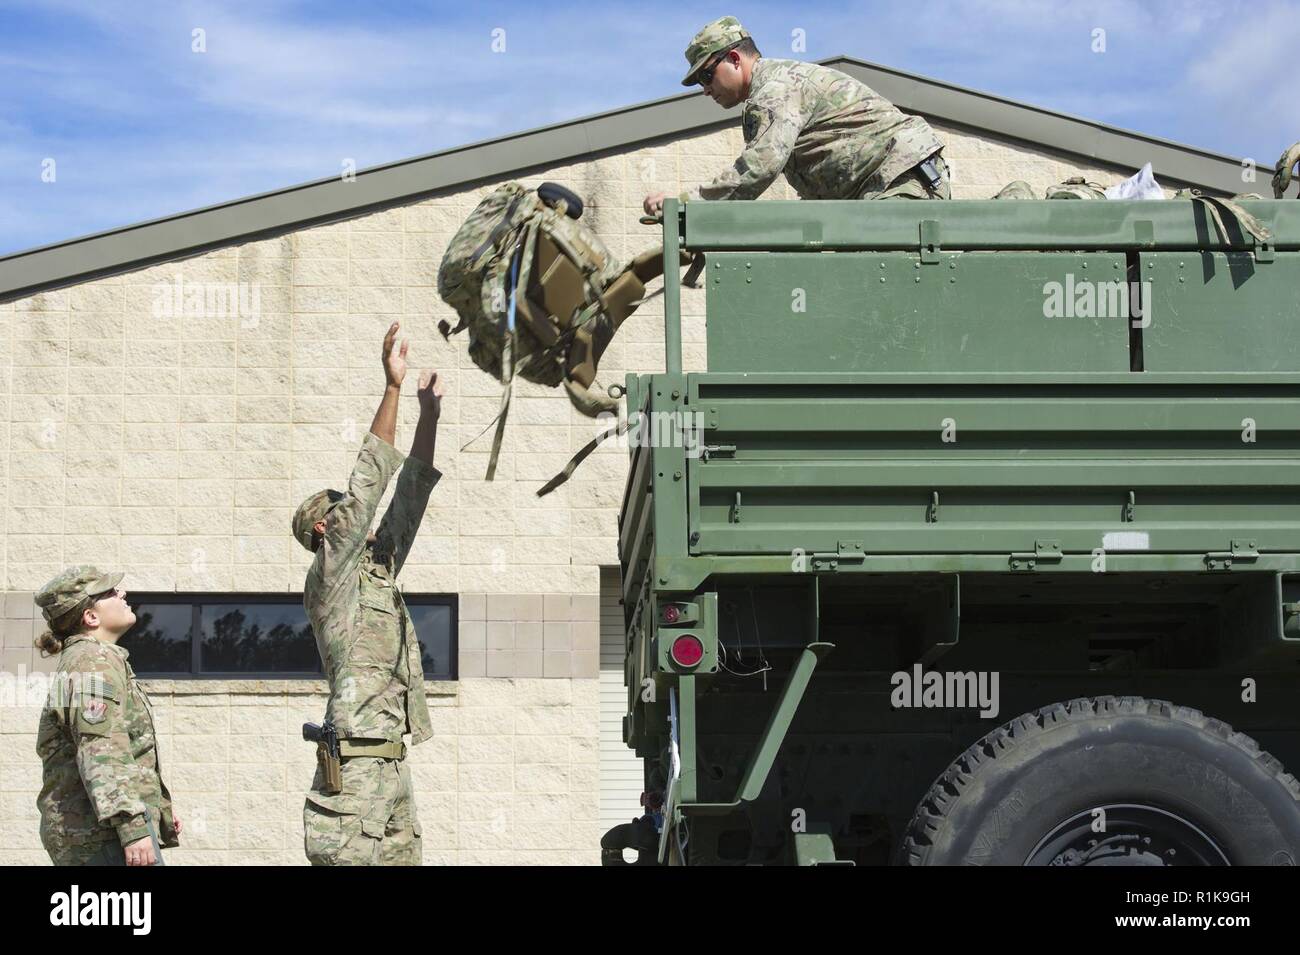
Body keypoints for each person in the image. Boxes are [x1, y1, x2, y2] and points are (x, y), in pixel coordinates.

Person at [293, 321, 444, 866]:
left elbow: (409, 494)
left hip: (390, 764)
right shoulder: (331, 576)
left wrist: (429, 418)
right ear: (322, 532)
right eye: (343, 516)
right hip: (353, 767)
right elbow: (370, 484)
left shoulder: (376, 574)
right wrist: (394, 388)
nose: (361, 522)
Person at [644, 16, 949, 216]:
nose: (706, 90)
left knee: (878, 286)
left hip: (900, 182)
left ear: (734, 59)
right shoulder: (772, 92)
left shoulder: (775, 90)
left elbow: (758, 169)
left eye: (707, 75)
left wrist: (685, 205)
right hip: (882, 190)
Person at [34, 566, 180, 866]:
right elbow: (100, 749)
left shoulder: (95, 659)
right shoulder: (92, 661)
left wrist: (156, 808)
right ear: (91, 617)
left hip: (99, 830)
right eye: (111, 592)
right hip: (98, 836)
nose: (122, 593)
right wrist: (132, 826)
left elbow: (124, 749)